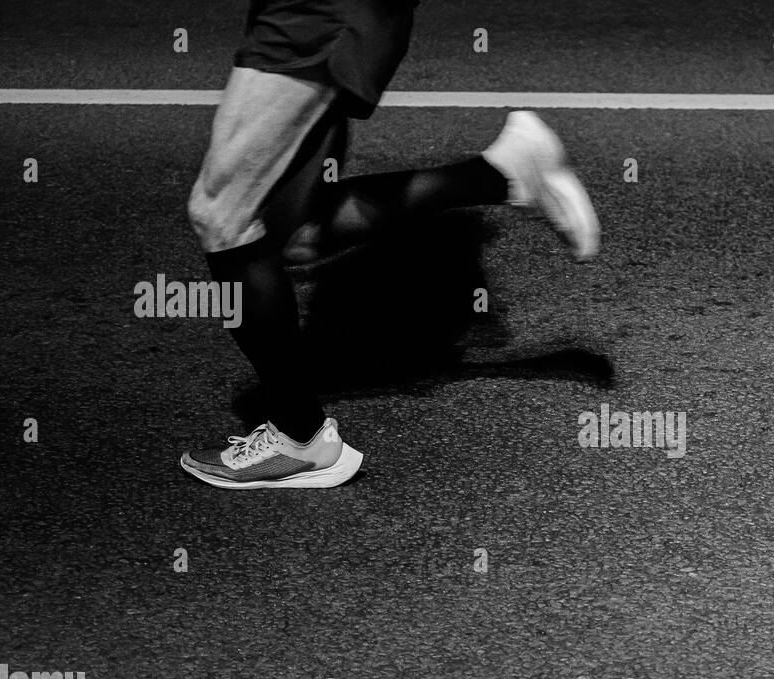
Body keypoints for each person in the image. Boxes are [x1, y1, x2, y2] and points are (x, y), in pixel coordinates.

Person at [181, 0, 599, 489]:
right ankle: (502, 173)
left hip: (317, 9)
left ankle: (301, 439)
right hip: (313, 10)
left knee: (222, 215)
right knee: (284, 232)